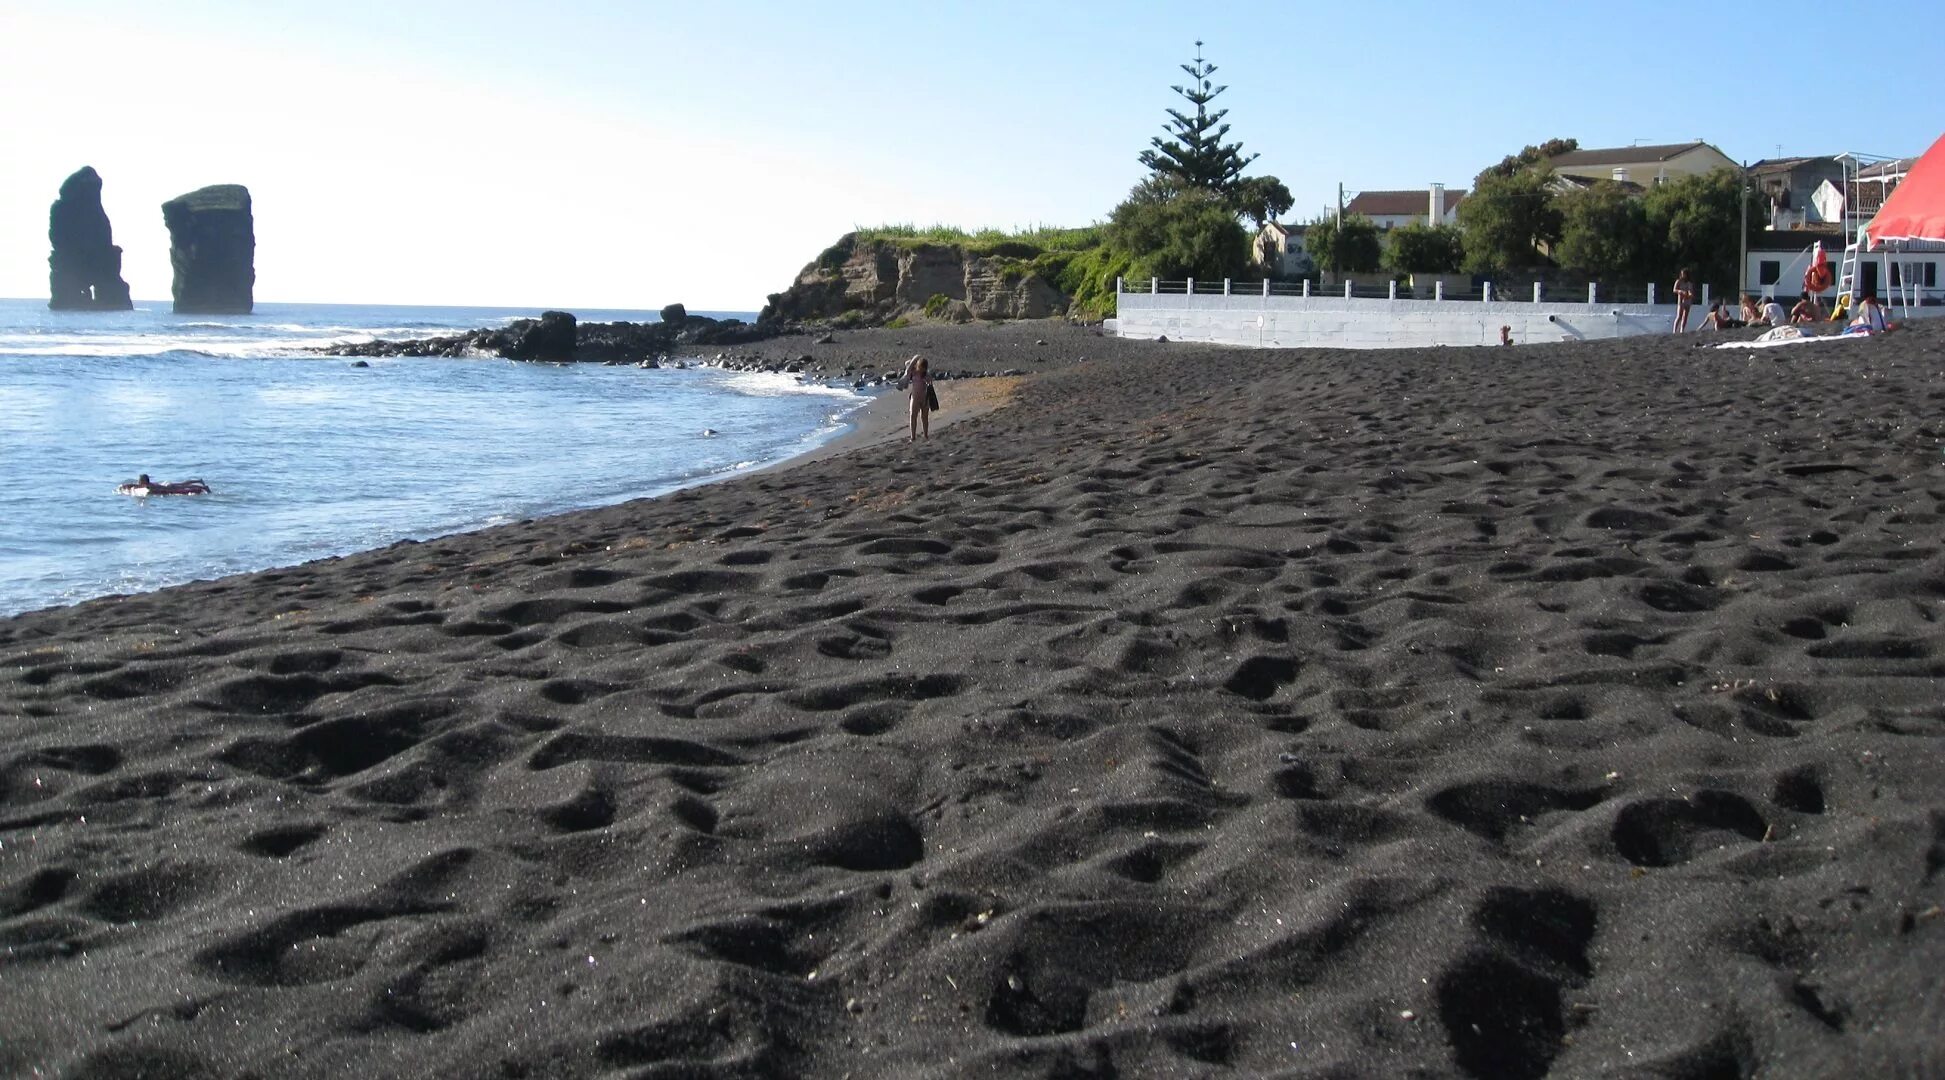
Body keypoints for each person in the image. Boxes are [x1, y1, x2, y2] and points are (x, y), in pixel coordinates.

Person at [902, 354, 932, 442]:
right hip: (915, 397)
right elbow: (907, 363)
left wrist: (927, 379)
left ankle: (926, 435)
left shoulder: (926, 375)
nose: (922, 370)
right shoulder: (913, 372)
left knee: (924, 417)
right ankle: (913, 437)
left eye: (924, 368)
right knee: (913, 416)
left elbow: (930, 383)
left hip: (924, 398)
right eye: (920, 368)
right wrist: (916, 361)